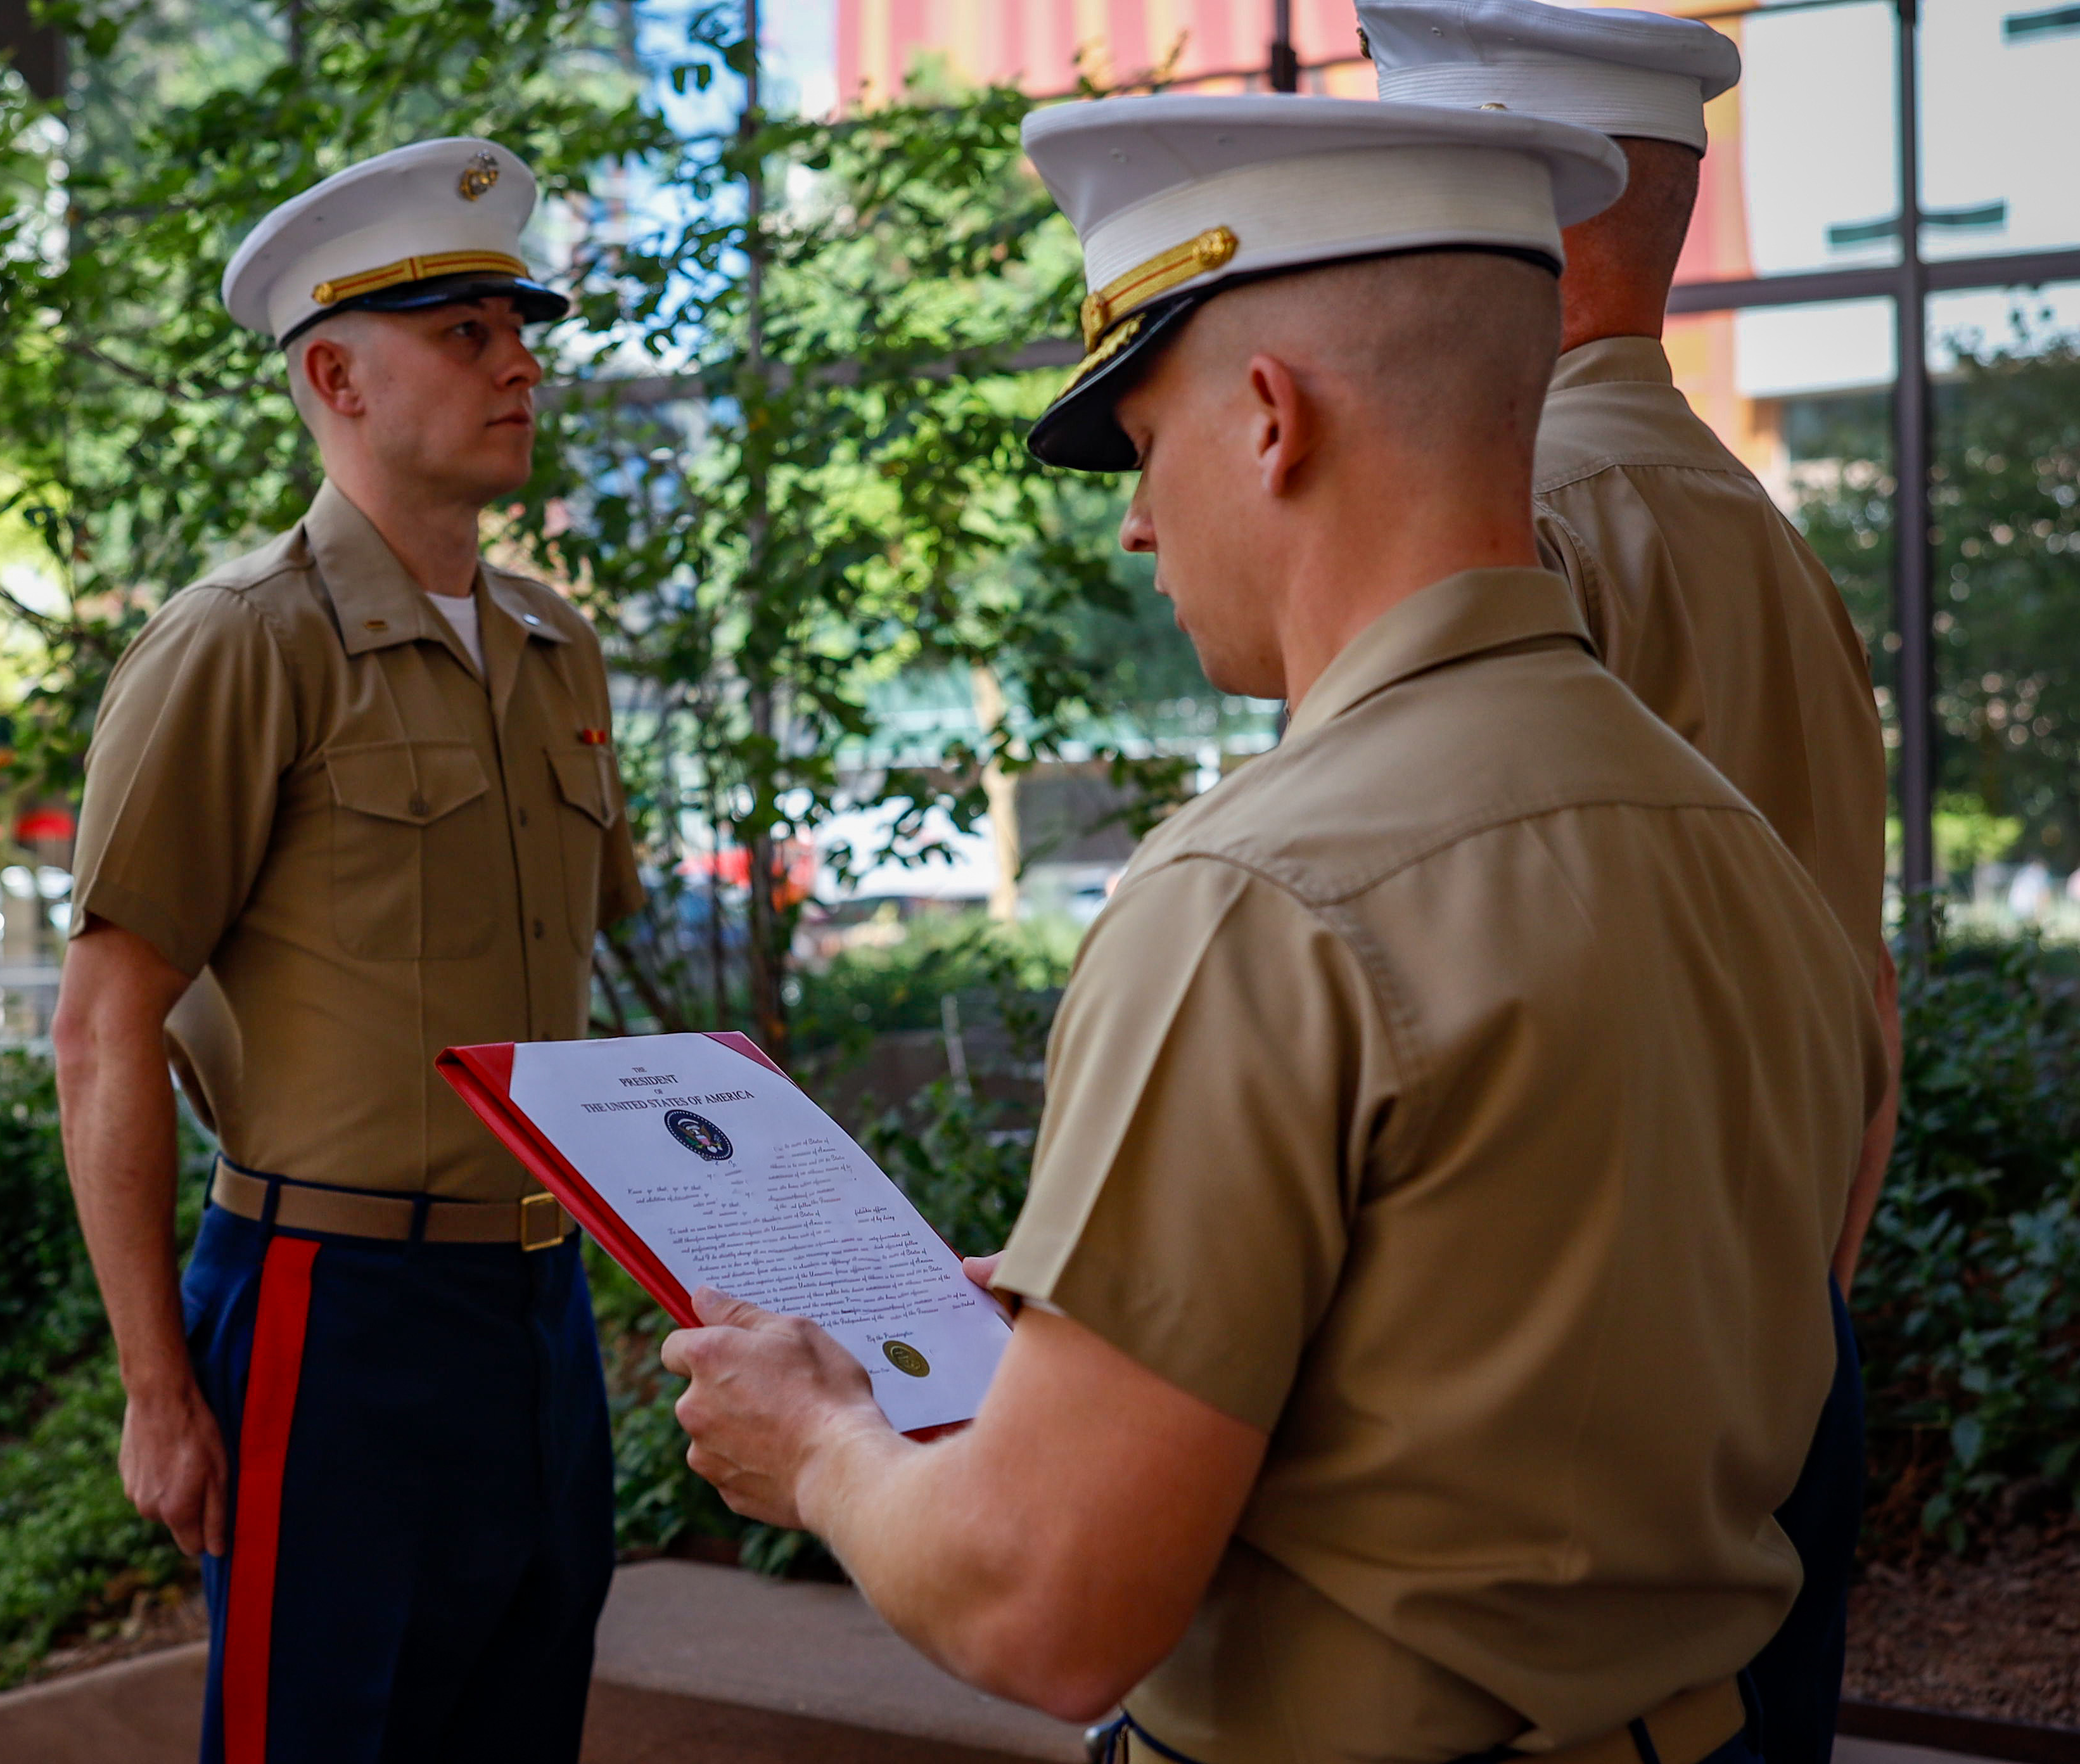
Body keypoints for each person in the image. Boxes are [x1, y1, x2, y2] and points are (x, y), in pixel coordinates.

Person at [660, 94, 1886, 1764]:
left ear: (1267, 419)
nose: (1139, 522)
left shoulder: (1251, 897)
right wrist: (1121, 1345)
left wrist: (815, 1448)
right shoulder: (1738, 849)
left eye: (1146, 446)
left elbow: (1048, 1608)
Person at [51, 137, 642, 1764]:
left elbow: (582, 1002)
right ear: (337, 375)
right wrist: (159, 1390)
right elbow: (106, 1032)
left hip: (538, 1306)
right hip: (334, 1310)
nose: (521, 360)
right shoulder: (245, 644)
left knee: (522, 1724)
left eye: (522, 327)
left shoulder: (552, 645)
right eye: (466, 332)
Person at [1359, 10, 1899, 1756]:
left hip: (1584, 1405)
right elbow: (1861, 1008)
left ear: (1493, 204)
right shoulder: (1758, 527)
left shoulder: (1523, 514)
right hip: (1779, 1337)